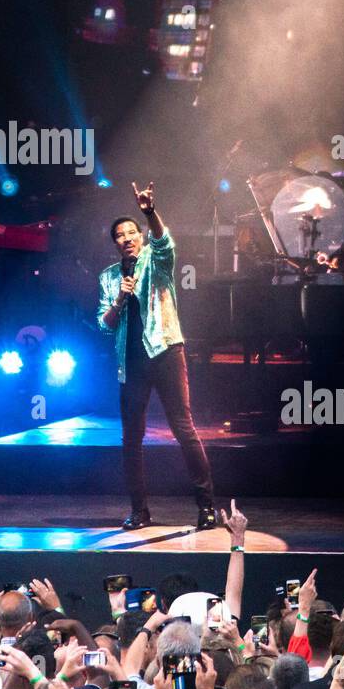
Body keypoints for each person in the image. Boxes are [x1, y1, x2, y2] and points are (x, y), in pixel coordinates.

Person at [97, 180, 217, 531]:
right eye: (120, 235)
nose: (127, 238)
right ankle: (140, 511)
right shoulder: (108, 277)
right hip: (131, 363)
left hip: (165, 351)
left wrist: (150, 212)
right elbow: (104, 325)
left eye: (132, 231)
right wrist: (120, 298)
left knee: (184, 428)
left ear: (141, 235)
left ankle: (206, 506)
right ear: (115, 243)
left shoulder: (157, 260)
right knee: (131, 438)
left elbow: (164, 241)